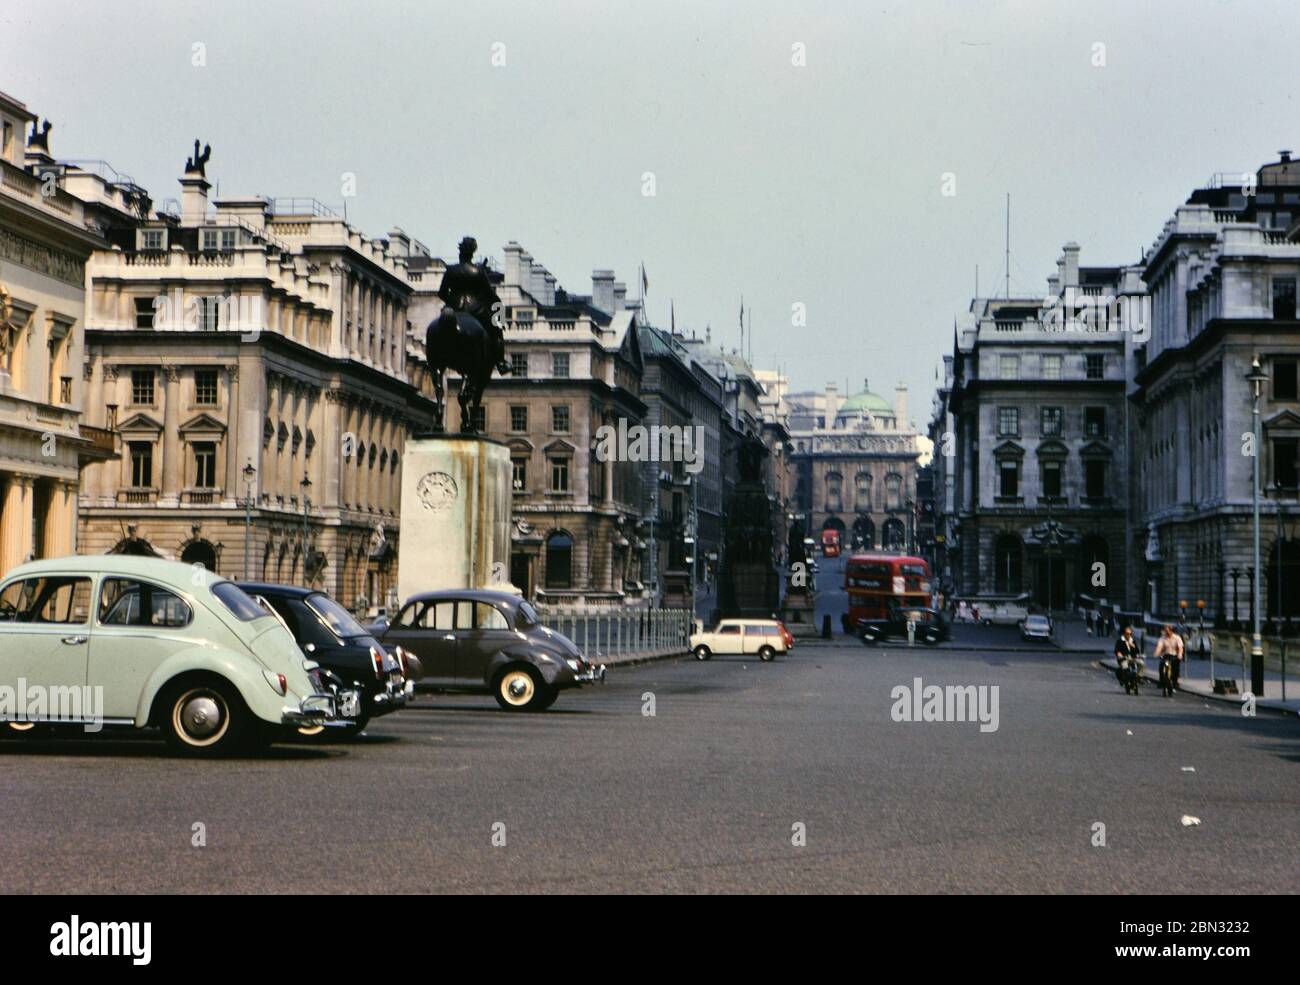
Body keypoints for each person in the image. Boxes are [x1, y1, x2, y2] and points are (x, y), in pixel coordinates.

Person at [1154, 624, 1185, 694]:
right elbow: (1159, 646)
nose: (1166, 632)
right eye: (1165, 631)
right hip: (1166, 655)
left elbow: (1180, 647)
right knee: (1161, 666)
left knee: (1175, 668)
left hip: (1174, 656)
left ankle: (1175, 682)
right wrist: (1156, 653)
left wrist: (1180, 654)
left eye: (1167, 631)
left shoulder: (1177, 638)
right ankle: (1161, 681)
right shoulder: (1162, 638)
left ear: (1171, 631)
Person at [1114, 624, 1143, 692]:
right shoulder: (1120, 641)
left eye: (1130, 634)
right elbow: (1117, 650)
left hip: (1133, 658)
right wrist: (1119, 654)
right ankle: (1125, 680)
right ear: (1124, 633)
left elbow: (1137, 651)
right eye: (1127, 634)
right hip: (1124, 658)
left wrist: (1133, 646)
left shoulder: (1132, 641)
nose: (1129, 635)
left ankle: (1139, 677)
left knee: (1141, 663)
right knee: (1125, 667)